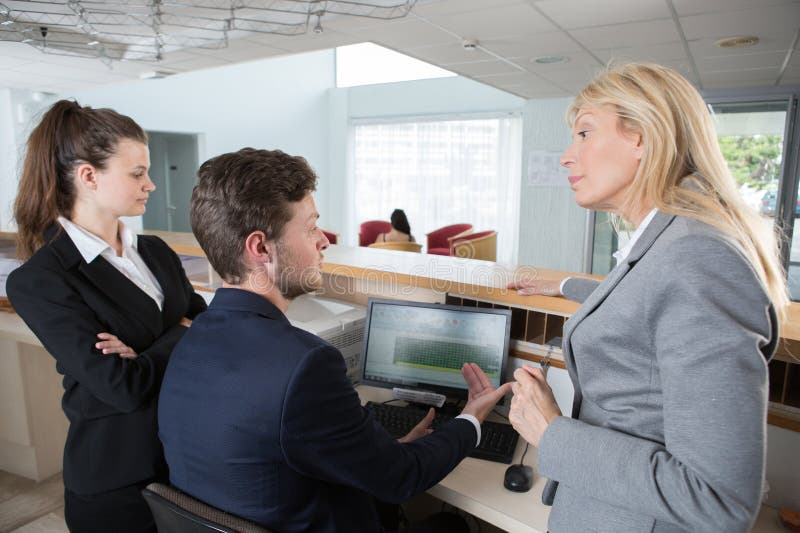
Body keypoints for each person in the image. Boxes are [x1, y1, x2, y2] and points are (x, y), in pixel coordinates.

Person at [157, 148, 511, 532]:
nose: (323, 241)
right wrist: (471, 418)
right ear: (260, 248)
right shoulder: (306, 365)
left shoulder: (190, 341)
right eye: (310, 227)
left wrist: (378, 452)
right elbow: (401, 479)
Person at [506, 63, 787, 533]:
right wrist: (569, 286)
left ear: (641, 136)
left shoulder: (697, 257)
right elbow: (649, 303)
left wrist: (550, 432)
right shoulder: (673, 240)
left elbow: (717, 498)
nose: (566, 157)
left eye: (584, 133)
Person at [6, 100, 207, 533]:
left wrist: (146, 353)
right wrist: (180, 332)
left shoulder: (154, 251)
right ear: (88, 177)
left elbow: (208, 325)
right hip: (118, 479)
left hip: (188, 458)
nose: (151, 184)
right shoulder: (40, 279)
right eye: (137, 173)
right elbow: (122, 388)